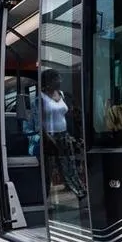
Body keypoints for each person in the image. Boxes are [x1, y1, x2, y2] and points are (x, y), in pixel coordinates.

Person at [32, 68, 86, 200]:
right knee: (50, 169)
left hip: (64, 135)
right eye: (57, 78)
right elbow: (38, 122)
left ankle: (81, 194)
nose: (60, 81)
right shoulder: (40, 98)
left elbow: (71, 114)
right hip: (49, 137)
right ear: (49, 81)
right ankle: (45, 199)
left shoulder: (62, 95)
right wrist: (47, 138)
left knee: (70, 167)